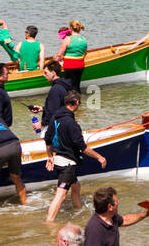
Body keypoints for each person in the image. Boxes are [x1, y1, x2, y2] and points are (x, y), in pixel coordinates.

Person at [43, 91, 106, 222]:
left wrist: (50, 156)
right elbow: (82, 147)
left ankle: (79, 210)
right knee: (61, 194)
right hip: (68, 164)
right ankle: (49, 222)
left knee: (76, 186)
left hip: (59, 160)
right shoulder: (71, 124)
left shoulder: (55, 117)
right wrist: (99, 157)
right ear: (76, 103)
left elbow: (48, 139)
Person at [83, 186, 149, 246]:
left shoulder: (112, 217)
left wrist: (146, 214)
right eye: (116, 201)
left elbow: (125, 220)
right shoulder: (94, 228)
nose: (118, 202)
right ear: (110, 207)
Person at [30, 60, 72, 133]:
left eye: (46, 73)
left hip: (55, 127)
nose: (44, 75)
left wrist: (41, 124)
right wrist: (43, 108)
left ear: (53, 73)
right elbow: (58, 106)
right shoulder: (63, 85)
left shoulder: (55, 89)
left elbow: (53, 112)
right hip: (63, 124)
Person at [57, 20, 89, 92]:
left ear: (70, 28)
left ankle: (70, 101)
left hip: (69, 65)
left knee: (69, 86)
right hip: (80, 64)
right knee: (77, 85)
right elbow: (85, 53)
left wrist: (58, 61)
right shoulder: (84, 39)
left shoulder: (68, 39)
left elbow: (59, 54)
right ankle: (78, 100)